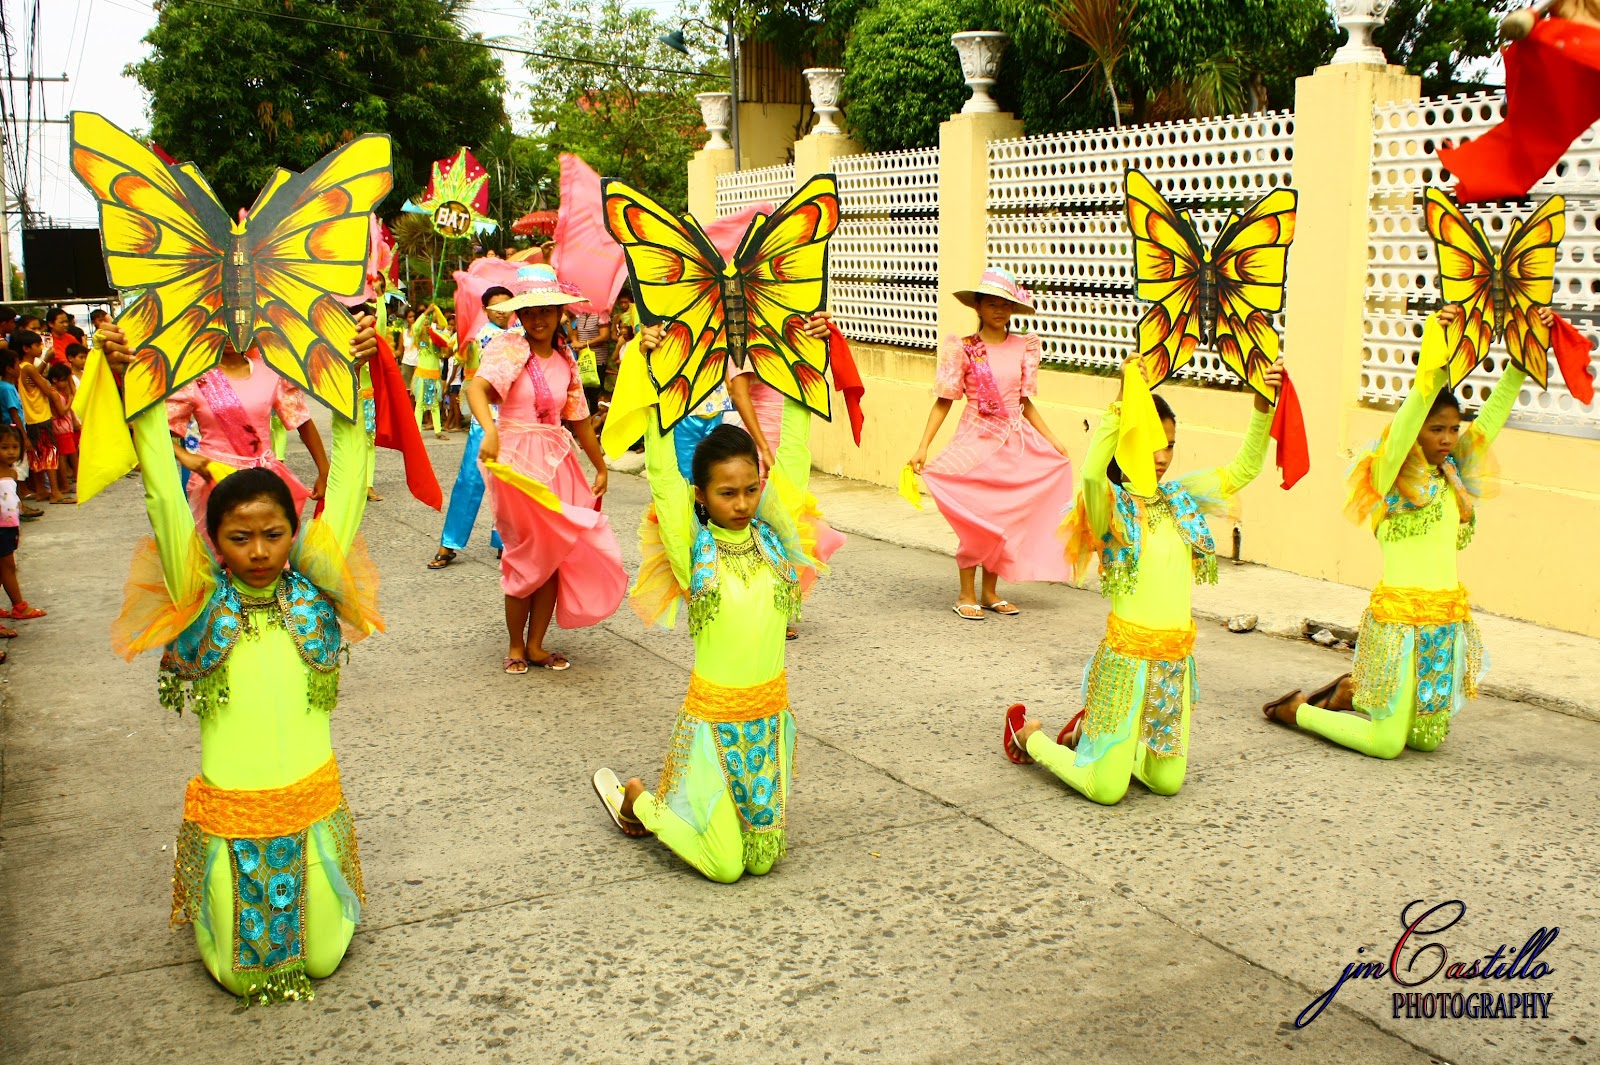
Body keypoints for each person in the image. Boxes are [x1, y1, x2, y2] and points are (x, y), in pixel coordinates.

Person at [99, 317, 382, 1005]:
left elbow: (344, 485)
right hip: (234, 811)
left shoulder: (314, 582)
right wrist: (133, 390)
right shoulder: (196, 592)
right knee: (240, 973)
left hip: (310, 798)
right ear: (216, 541)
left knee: (320, 957)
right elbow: (165, 494)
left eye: (274, 534)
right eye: (240, 537)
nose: (259, 551)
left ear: (294, 531)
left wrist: (356, 381)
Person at [1003, 354, 1283, 805]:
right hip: (1126, 663)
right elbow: (1093, 469)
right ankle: (1030, 738)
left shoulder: (1182, 496)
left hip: (1173, 664)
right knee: (1107, 790)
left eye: (1169, 444)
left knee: (1167, 783)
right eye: (1152, 442)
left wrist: (1262, 406)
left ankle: (1094, 738)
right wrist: (1120, 403)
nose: (1161, 456)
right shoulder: (1107, 504)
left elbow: (1243, 470)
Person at [1262, 304, 1519, 757]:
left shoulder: (1453, 478)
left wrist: (1520, 364)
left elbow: (1491, 420)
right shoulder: (1388, 480)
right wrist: (1430, 359)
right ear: (1415, 433)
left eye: (1452, 429)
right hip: (1399, 626)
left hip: (1445, 624)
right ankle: (1299, 710)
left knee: (1426, 740)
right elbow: (1405, 422)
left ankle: (1353, 691)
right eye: (1435, 429)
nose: (1446, 438)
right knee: (1387, 744)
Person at [593, 417, 816, 882]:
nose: (742, 504)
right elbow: (662, 474)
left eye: (751, 490)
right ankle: (641, 803)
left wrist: (805, 369)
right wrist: (655, 388)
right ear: (701, 495)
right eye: (726, 493)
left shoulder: (775, 537)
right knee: (727, 868)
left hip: (768, 726)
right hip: (712, 732)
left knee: (762, 861)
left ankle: (723, 817)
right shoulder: (693, 550)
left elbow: (794, 457)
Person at [466, 265, 626, 673]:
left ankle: (537, 645)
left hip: (556, 461)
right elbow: (477, 389)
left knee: (554, 552)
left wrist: (599, 464)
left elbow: (577, 418)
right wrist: (489, 431)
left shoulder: (566, 358)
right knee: (523, 555)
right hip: (514, 462)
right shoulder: (508, 348)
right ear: (519, 314)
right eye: (530, 311)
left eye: (547, 310)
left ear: (560, 313)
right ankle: (516, 646)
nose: (538, 319)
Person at [909, 267, 1076, 620]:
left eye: (1006, 304)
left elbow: (1024, 403)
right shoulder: (966, 349)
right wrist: (923, 445)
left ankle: (990, 591)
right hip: (975, 444)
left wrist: (1054, 441)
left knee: (1004, 518)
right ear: (979, 307)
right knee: (977, 519)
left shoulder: (1023, 347)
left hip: (1013, 445)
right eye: (992, 303)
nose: (999, 310)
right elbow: (944, 399)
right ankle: (966, 592)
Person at [167, 346, 330, 540]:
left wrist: (324, 470)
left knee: (269, 553)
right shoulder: (193, 377)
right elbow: (159, 433)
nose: (229, 333)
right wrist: (186, 457)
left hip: (264, 481)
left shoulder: (270, 372)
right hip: (213, 481)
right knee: (216, 556)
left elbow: (302, 421)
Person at [431, 285, 516, 569]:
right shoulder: (483, 336)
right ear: (486, 310)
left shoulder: (519, 335)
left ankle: (504, 541)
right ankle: (449, 542)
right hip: (485, 420)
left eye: (507, 306)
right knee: (469, 481)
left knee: (508, 485)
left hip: (513, 420)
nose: (502, 313)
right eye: (496, 308)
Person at [12, 330, 65, 505]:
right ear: (26, 348)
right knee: (49, 453)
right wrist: (47, 361)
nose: (41, 347)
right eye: (37, 345)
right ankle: (55, 491)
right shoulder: (28, 368)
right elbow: (46, 388)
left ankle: (41, 490)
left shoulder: (20, 368)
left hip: (30, 417)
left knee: (37, 455)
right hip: (39, 415)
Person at [0, 424, 38, 636]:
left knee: (4, 569)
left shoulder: (13, 473)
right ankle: (19, 606)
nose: (11, 451)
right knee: (8, 568)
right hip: (1, 529)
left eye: (15, 447)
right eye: (4, 447)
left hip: (9, 528)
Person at [410, 304, 450, 438]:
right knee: (420, 403)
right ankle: (417, 431)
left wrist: (437, 309)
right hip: (422, 374)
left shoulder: (435, 335)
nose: (426, 320)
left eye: (428, 318)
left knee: (434, 404)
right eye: (424, 318)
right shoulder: (417, 334)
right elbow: (416, 327)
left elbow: (444, 325)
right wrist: (427, 311)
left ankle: (438, 431)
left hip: (434, 375)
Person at [46, 363, 78, 495]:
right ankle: (64, 483)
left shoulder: (60, 392)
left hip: (65, 427)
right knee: (63, 456)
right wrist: (70, 400)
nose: (66, 383)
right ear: (55, 379)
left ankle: (68, 481)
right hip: (60, 427)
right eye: (64, 380)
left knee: (69, 453)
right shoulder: (54, 393)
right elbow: (61, 411)